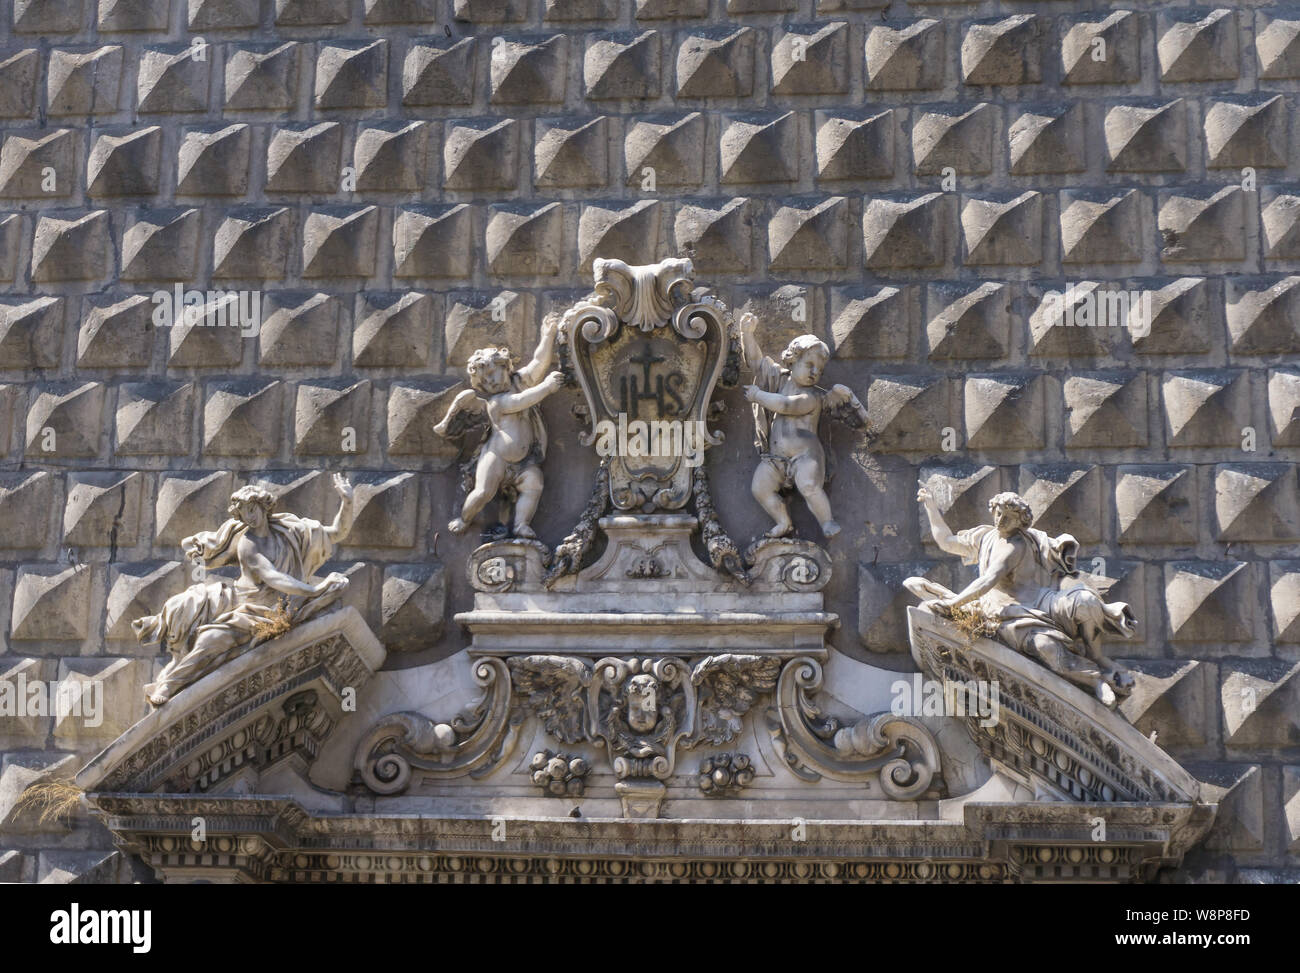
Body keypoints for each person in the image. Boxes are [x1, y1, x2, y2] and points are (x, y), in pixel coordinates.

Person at [133, 474, 354, 707]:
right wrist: (315, 590)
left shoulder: (291, 531)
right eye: (243, 512)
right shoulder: (248, 545)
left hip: (282, 606)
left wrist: (347, 502)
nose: (249, 517)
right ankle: (169, 683)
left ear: (263, 507)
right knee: (212, 639)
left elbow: (338, 532)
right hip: (249, 610)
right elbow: (274, 577)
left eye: (252, 509)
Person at [906, 488, 1136, 706]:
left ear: (1020, 522)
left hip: (1040, 600)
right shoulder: (985, 536)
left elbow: (986, 581)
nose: (1000, 520)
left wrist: (953, 603)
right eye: (998, 513)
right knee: (1045, 646)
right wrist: (931, 507)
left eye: (1008, 517)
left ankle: (1097, 656)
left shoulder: (1017, 544)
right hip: (1006, 610)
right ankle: (1094, 679)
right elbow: (946, 542)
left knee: (1086, 601)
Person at [739, 311, 867, 539]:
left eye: (819, 369)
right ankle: (783, 521)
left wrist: (758, 395)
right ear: (792, 359)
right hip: (776, 459)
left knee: (809, 486)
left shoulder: (812, 397)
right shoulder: (778, 379)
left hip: (806, 456)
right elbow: (756, 362)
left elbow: (787, 406)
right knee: (759, 487)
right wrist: (747, 334)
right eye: (809, 365)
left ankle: (827, 522)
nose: (815, 372)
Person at [435, 315, 564, 539]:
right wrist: (546, 388)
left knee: (534, 485)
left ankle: (521, 524)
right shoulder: (497, 402)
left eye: (492, 374)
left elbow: (538, 363)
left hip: (523, 463)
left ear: (504, 365)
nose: (490, 382)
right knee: (483, 492)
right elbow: (520, 402)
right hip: (497, 459)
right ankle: (464, 518)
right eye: (484, 382)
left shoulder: (518, 382)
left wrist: (548, 336)